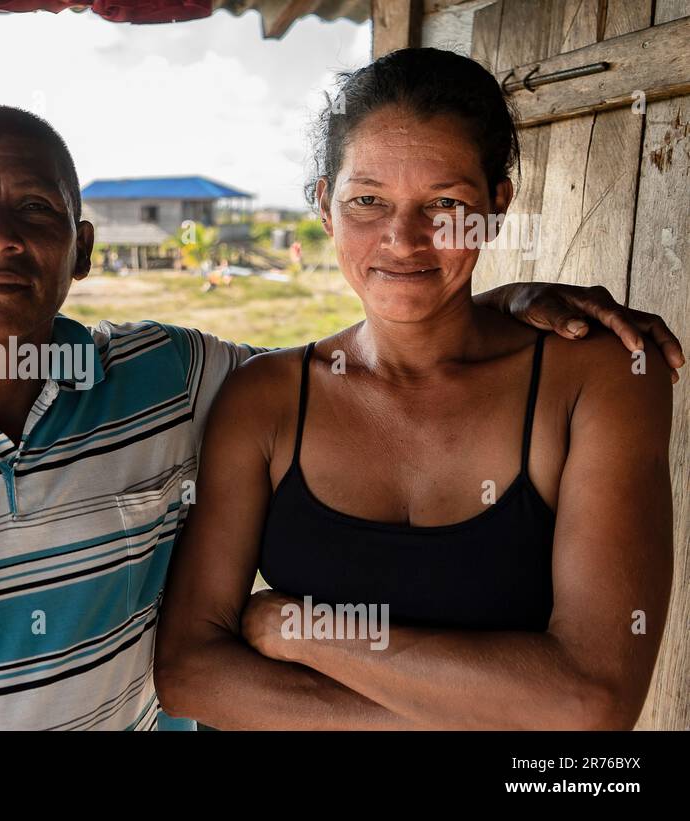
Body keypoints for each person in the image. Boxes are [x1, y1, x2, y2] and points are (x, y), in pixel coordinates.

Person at [0, 104, 682, 730]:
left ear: (81, 249)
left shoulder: (165, 377)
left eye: (35, 212)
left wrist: (498, 308)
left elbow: (372, 366)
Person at [154, 49, 676, 730]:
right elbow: (190, 673)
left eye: (446, 203)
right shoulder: (267, 398)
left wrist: (302, 629)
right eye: (367, 200)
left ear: (497, 204)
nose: (403, 238)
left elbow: (593, 704)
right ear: (323, 205)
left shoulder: (599, 376)